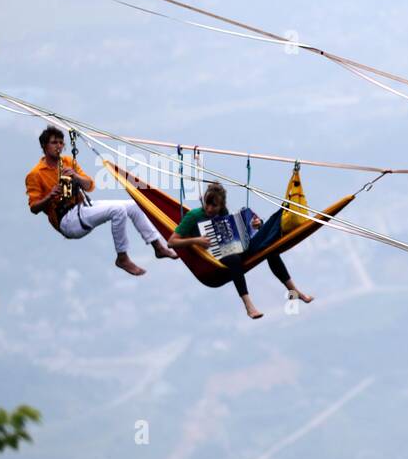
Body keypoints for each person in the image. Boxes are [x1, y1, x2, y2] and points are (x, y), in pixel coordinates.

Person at [25, 126, 177, 275]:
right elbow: (34, 208)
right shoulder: (36, 174)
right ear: (44, 146)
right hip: (67, 220)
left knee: (134, 205)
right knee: (117, 210)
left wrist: (76, 176)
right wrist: (50, 196)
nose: (58, 146)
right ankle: (122, 257)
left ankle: (158, 247)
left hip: (82, 208)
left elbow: (89, 185)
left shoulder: (67, 162)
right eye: (54, 142)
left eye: (60, 142)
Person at [167, 182, 313, 319]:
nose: (210, 209)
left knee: (269, 247)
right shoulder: (193, 216)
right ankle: (249, 306)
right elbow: (171, 242)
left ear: (222, 205)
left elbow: (239, 235)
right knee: (234, 260)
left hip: (234, 250)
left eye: (214, 206)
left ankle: (294, 291)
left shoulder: (224, 213)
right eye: (207, 204)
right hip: (212, 259)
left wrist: (256, 224)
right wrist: (196, 240)